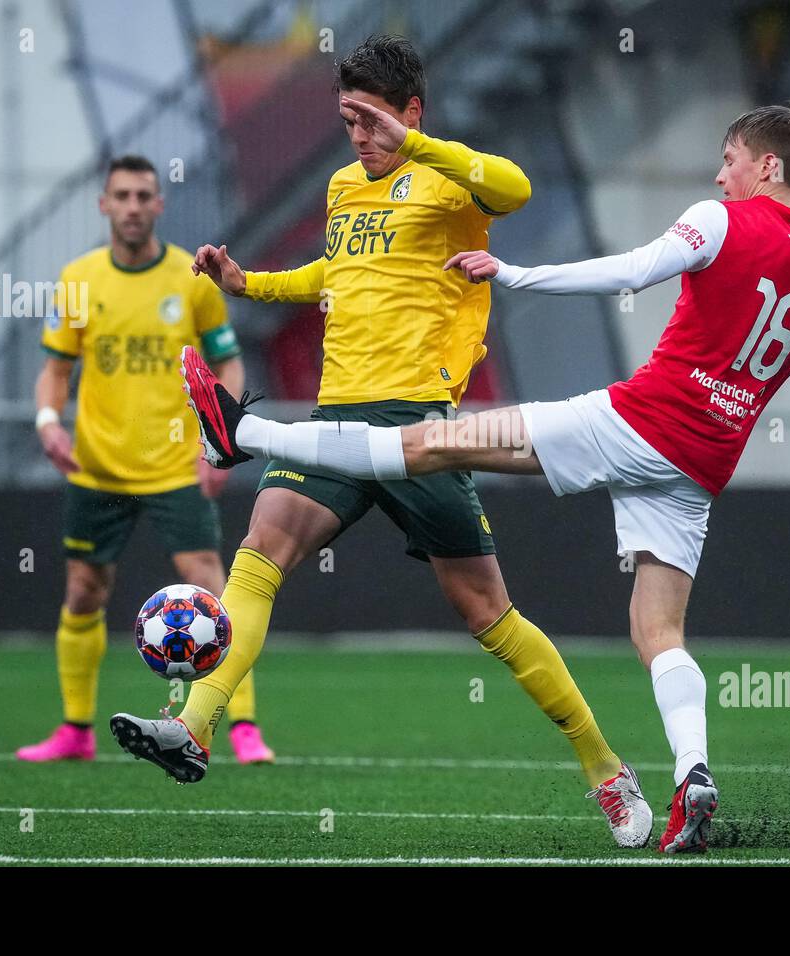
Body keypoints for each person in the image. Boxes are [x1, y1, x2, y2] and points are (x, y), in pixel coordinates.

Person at [173, 105, 790, 854]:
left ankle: (245, 429)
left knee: (436, 443)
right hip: (702, 464)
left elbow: (634, 272)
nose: (718, 179)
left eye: (727, 163)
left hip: (636, 422)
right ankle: (691, 779)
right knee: (658, 629)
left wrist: (517, 271)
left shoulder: (720, 222)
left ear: (764, 165)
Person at [111, 36, 651, 848]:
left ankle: (606, 770)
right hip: (333, 422)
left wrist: (414, 147)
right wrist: (247, 283)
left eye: (371, 121)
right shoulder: (339, 187)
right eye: (348, 121)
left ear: (410, 113)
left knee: (489, 615)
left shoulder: (445, 175)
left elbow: (516, 185)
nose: (358, 137)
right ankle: (194, 726)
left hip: (417, 427)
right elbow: (333, 274)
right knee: (257, 555)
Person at [20, 155, 273, 765]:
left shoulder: (191, 278)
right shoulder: (78, 280)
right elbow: (55, 373)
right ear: (104, 205)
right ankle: (75, 731)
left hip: (176, 468)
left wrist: (222, 440)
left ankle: (241, 729)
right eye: (122, 196)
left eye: (143, 196)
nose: (133, 206)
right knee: (83, 590)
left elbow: (229, 363)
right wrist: (49, 423)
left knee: (214, 590)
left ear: (159, 205)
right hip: (97, 469)